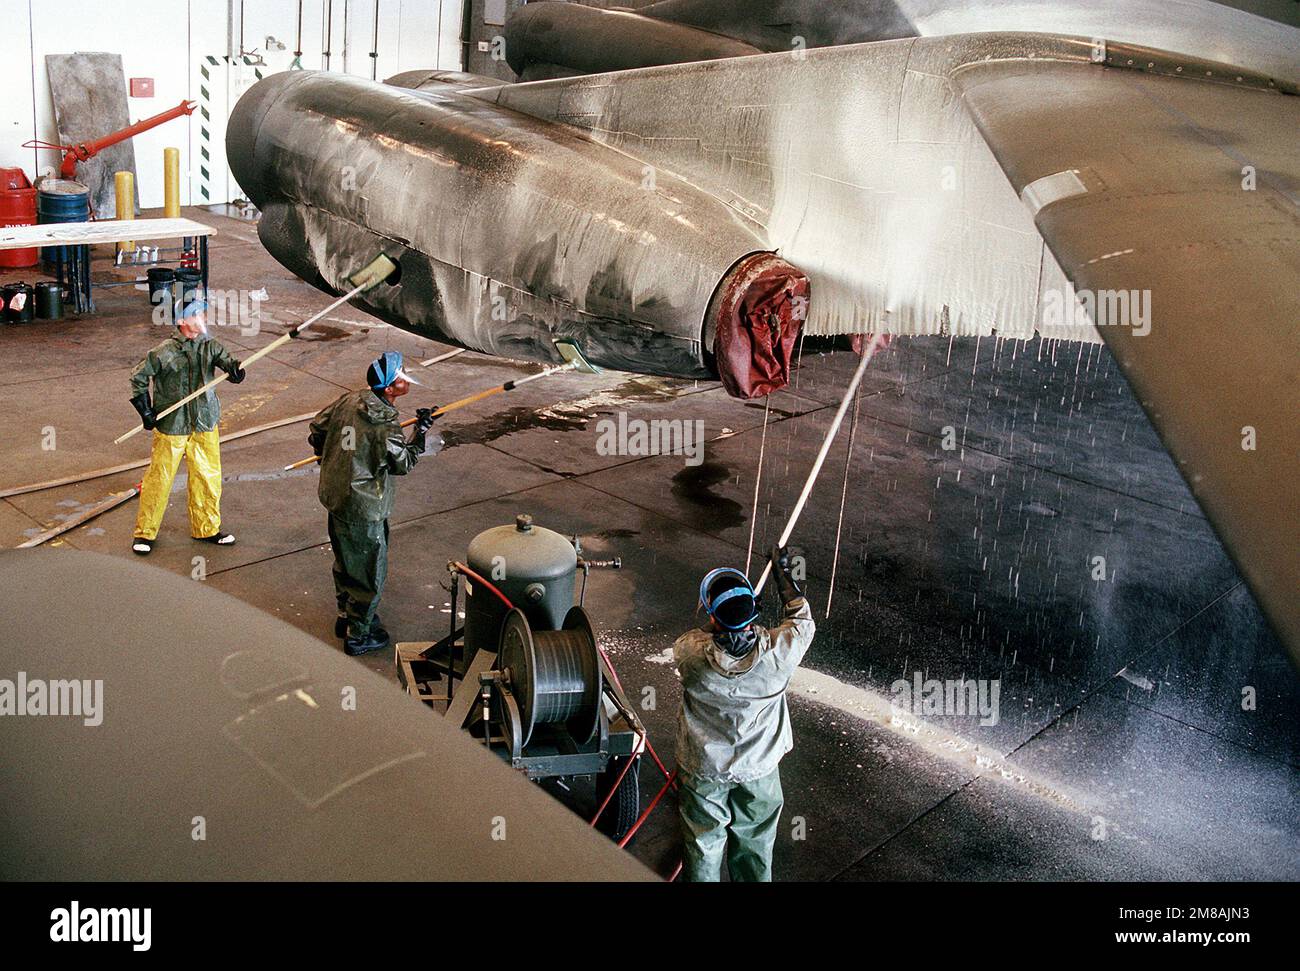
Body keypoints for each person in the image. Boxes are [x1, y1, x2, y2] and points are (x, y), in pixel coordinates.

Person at [673, 545, 815, 881]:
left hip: (704, 767)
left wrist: (730, 618)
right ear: (753, 617)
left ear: (712, 615)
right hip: (759, 767)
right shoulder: (780, 656)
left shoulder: (691, 657)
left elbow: (700, 635)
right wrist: (783, 576)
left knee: (703, 841)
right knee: (756, 839)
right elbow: (800, 618)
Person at [308, 351, 440, 656]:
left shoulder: (349, 400)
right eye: (401, 376)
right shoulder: (386, 426)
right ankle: (359, 633)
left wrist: (325, 454)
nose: (406, 378)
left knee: (345, 560)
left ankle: (346, 614)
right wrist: (419, 433)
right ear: (389, 389)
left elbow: (317, 428)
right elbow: (402, 463)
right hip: (364, 508)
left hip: (336, 496)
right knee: (368, 573)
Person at [129, 299, 245, 555]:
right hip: (173, 425)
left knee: (208, 477)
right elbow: (138, 377)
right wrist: (145, 410)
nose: (202, 317)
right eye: (196, 314)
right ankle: (145, 533)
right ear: (182, 321)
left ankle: (207, 528)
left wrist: (236, 371)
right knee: (159, 479)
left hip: (204, 422)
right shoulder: (163, 352)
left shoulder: (210, 346)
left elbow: (228, 363)